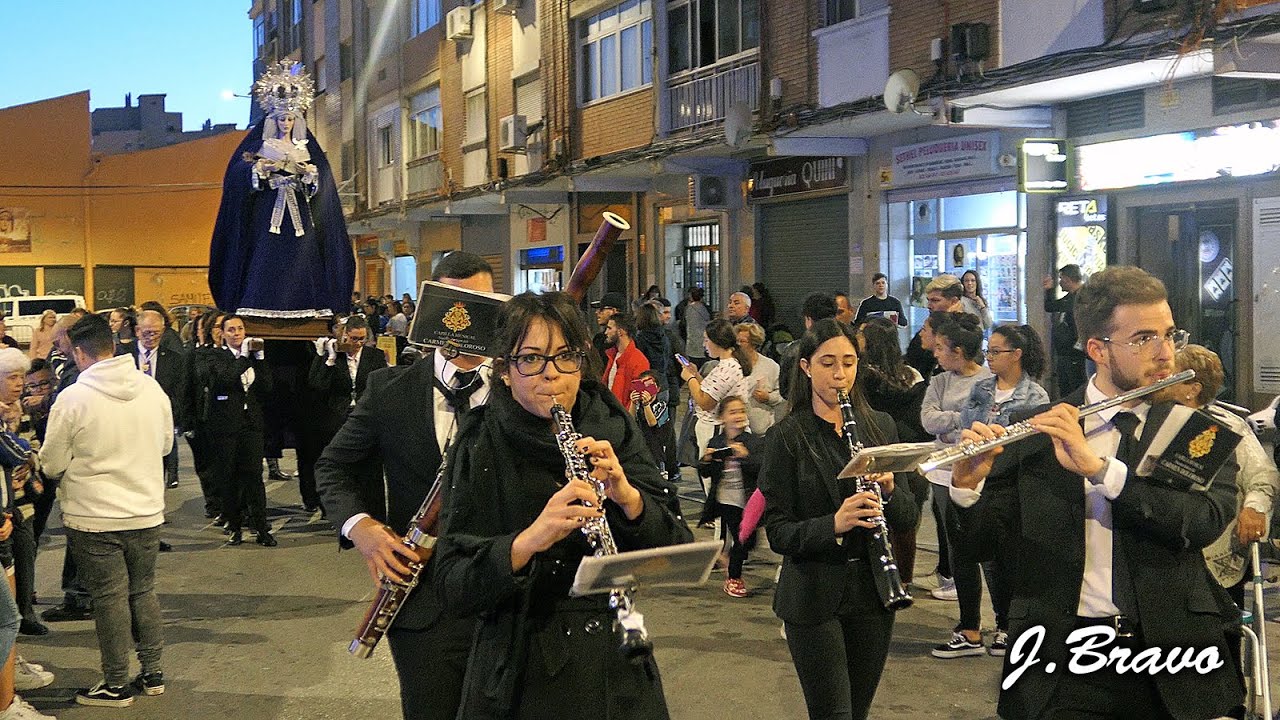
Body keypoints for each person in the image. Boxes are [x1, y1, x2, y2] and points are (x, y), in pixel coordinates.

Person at [951, 266, 1241, 719]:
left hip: (1172, 659)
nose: (1165, 353)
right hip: (1060, 661)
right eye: (1144, 338)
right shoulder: (1038, 428)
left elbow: (1200, 523)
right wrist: (968, 489)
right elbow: (983, 547)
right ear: (1097, 350)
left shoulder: (1198, 430)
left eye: (1169, 334)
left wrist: (1102, 471)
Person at [432, 290, 692, 720]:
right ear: (504, 371)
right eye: (531, 359)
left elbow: (675, 542)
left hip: (616, 668)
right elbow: (451, 585)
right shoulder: (480, 443)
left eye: (565, 356)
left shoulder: (615, 427)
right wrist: (529, 541)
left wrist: (628, 498)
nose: (551, 374)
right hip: (522, 670)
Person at [315, 251, 496, 720]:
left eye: (480, 303)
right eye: (453, 305)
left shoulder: (522, 387)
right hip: (423, 604)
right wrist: (361, 528)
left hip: (509, 601)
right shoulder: (389, 389)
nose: (465, 319)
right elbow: (333, 467)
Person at [758, 318, 918, 720]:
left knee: (857, 713)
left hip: (872, 591)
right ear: (806, 367)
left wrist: (891, 490)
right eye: (827, 363)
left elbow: (908, 517)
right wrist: (834, 523)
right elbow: (778, 532)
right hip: (813, 595)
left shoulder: (880, 426)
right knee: (833, 714)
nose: (839, 374)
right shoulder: (786, 436)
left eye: (848, 363)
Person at [39, 315, 171, 708]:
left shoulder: (74, 398)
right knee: (143, 591)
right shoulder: (151, 388)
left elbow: (51, 463)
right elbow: (166, 445)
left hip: (94, 517)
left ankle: (115, 684)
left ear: (80, 353)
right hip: (146, 512)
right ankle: (153, 673)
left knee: (109, 599)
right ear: (112, 346)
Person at [208, 61, 354, 319]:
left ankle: (309, 303)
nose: (285, 123)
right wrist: (257, 170)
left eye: (290, 119)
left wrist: (311, 177)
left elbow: (324, 191)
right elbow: (236, 176)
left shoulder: (307, 149)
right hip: (266, 217)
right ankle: (257, 301)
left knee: (303, 256)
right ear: (272, 120)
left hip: (300, 220)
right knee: (265, 256)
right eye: (281, 119)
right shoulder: (258, 146)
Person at [1152, 345, 1278, 609]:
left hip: (1214, 553)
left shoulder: (1227, 425)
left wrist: (1254, 508)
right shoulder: (1148, 419)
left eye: (1171, 375)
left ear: (1192, 388)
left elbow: (1262, 476)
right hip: (1160, 553)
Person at [950, 324, 1050, 657]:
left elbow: (1033, 445)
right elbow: (965, 428)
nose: (989, 358)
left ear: (1016, 354)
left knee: (1005, 559)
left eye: (996, 351)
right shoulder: (980, 388)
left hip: (1009, 483)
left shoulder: (1034, 396)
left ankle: (1006, 625)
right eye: (987, 351)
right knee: (968, 552)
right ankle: (970, 627)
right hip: (974, 479)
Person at [921, 313, 997, 651]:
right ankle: (969, 626)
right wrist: (962, 418)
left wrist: (953, 422)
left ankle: (1004, 623)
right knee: (958, 548)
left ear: (959, 351)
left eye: (941, 347)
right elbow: (928, 420)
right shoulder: (938, 381)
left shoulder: (988, 380)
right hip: (942, 471)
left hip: (980, 470)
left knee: (991, 549)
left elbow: (988, 420)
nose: (936, 353)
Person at [855, 317, 928, 586]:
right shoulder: (913, 376)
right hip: (910, 457)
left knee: (872, 516)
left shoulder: (860, 378)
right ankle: (904, 579)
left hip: (874, 457)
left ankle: (877, 576)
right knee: (906, 521)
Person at [303, 316, 386, 514]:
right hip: (338, 416)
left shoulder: (375, 356)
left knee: (370, 468)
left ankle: (374, 511)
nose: (358, 343)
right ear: (344, 335)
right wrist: (330, 360)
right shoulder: (333, 356)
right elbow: (317, 385)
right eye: (354, 338)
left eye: (362, 339)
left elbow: (381, 385)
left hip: (365, 417)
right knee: (341, 466)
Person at [206, 315, 276, 547]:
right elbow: (224, 379)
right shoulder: (216, 356)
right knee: (229, 477)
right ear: (223, 334)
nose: (237, 333)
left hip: (251, 424)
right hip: (226, 425)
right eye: (231, 330)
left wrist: (260, 360)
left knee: (254, 476)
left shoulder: (253, 358)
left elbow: (267, 387)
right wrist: (244, 357)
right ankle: (234, 526)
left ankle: (261, 528)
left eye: (240, 329)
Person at [698, 396, 764, 598]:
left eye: (741, 411)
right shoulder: (716, 442)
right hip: (726, 501)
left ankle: (724, 557)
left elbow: (761, 467)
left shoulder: (752, 441)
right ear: (722, 418)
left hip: (749, 500)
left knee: (749, 540)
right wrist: (707, 459)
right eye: (732, 412)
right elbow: (705, 472)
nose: (738, 416)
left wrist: (744, 456)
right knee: (741, 539)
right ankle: (734, 578)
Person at [682, 319, 753, 461]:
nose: (704, 345)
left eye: (706, 340)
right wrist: (696, 375)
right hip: (712, 429)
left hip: (717, 431)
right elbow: (711, 391)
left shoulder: (729, 368)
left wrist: (689, 378)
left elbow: (706, 402)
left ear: (717, 341)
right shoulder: (724, 365)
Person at [136, 311, 186, 490]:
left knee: (156, 472)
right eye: (146, 333)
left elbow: (178, 393)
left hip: (159, 421)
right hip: (131, 421)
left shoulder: (174, 359)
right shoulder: (123, 355)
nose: (151, 338)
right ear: (137, 331)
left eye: (156, 333)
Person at [904, 274, 966, 379]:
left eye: (935, 300)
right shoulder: (927, 329)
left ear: (954, 302)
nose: (929, 305)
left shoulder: (966, 332)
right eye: (928, 300)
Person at [779, 292, 838, 401]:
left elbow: (785, 390)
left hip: (802, 408)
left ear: (808, 320)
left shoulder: (794, 350)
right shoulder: (848, 347)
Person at [1043, 263, 1087, 397]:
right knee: (1065, 388)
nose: (1060, 282)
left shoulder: (1082, 298)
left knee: (1074, 388)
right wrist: (1049, 290)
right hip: (1064, 352)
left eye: (1061, 278)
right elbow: (1051, 307)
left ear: (1068, 279)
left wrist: (1078, 347)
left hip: (1075, 354)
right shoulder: (1070, 297)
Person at [736, 323, 783, 434]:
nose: (737, 345)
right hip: (736, 431)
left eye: (742, 341)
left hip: (762, 431)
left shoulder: (771, 366)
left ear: (754, 344)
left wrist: (768, 397)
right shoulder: (731, 365)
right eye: (736, 341)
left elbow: (782, 395)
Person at [601, 313, 650, 408]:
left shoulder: (640, 361)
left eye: (609, 328)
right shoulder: (612, 355)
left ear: (620, 332)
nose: (606, 332)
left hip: (623, 414)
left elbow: (638, 397)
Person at [589, 292, 625, 370]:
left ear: (614, 311)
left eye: (601, 309)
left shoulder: (629, 340)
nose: (597, 312)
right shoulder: (599, 339)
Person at [682, 288, 711, 369]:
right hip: (704, 341)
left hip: (691, 341)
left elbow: (683, 323)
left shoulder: (688, 308)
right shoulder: (705, 308)